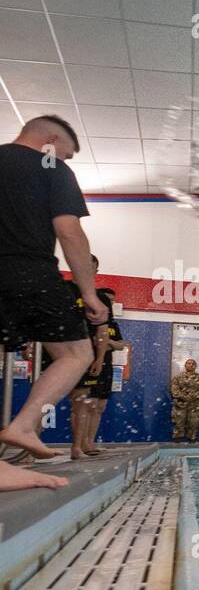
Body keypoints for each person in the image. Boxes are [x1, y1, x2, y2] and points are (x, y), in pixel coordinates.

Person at [0, 114, 106, 485]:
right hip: (29, 270)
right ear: (50, 140)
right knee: (77, 354)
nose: (65, 161)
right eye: (67, 154)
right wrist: (89, 294)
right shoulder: (51, 168)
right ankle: (25, 427)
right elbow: (69, 232)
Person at [70, 273, 125, 458]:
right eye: (108, 300)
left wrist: (106, 342)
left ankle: (89, 443)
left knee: (98, 406)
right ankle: (81, 444)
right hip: (89, 362)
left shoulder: (113, 324)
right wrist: (107, 343)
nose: (109, 304)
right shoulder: (90, 320)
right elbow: (97, 340)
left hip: (106, 365)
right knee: (86, 404)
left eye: (112, 301)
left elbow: (121, 344)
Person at [169, 358, 199, 442]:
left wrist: (193, 396)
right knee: (178, 422)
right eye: (188, 363)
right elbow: (174, 390)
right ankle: (177, 439)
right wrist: (184, 397)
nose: (191, 365)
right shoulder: (178, 377)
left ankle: (191, 439)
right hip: (180, 404)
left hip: (195, 405)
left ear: (195, 366)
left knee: (194, 423)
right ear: (185, 365)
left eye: (193, 364)